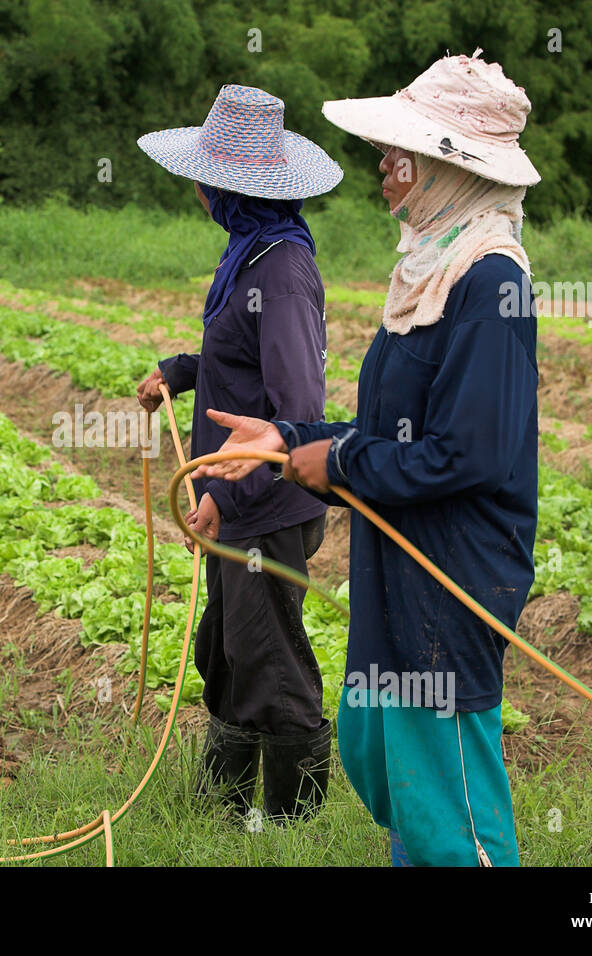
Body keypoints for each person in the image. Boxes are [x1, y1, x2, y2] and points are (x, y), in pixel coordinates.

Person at [195, 51, 542, 865]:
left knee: (443, 788)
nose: (385, 172)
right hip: (399, 553)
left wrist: (338, 466)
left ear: (449, 171)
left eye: (402, 158)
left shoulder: (492, 284)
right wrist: (290, 443)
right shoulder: (432, 269)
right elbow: (400, 428)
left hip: (452, 565)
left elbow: (470, 455)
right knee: (374, 747)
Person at [134, 84, 344, 820]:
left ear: (224, 185)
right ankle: (224, 812)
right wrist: (182, 373)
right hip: (232, 497)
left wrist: (225, 497)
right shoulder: (248, 252)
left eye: (202, 175)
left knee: (269, 662)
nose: (194, 187)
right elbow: (240, 363)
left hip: (264, 506)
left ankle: (294, 826)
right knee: (225, 651)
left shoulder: (282, 272)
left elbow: (297, 416)